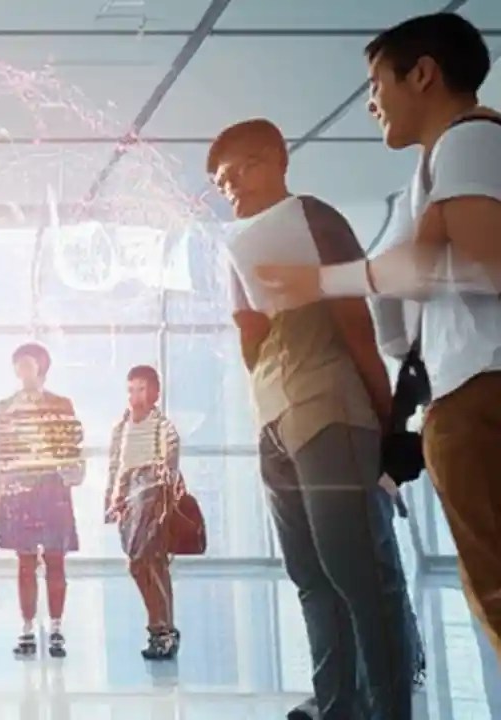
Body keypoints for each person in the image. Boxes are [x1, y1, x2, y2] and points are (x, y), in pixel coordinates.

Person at [255, 12, 501, 664]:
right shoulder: (441, 163)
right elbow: (411, 288)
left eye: (375, 83)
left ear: (422, 74)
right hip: (463, 394)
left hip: (483, 391)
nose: (371, 102)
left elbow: (485, 262)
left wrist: (327, 277)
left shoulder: (469, 141)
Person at [209, 118, 414, 719]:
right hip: (275, 417)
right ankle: (336, 706)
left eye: (241, 169)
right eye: (222, 182)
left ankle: (389, 709)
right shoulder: (240, 245)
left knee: (360, 577)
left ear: (276, 158)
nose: (232, 186)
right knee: (311, 576)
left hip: (330, 409)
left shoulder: (314, 217)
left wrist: (388, 419)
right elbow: (250, 337)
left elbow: (356, 322)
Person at [0, 343, 83, 659]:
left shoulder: (61, 404)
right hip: (20, 491)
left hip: (53, 489)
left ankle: (56, 628)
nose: (22, 371)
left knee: (55, 559)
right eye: (18, 365)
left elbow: (72, 446)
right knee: (25, 561)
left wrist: (72, 472)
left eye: (27, 364)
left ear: (41, 367)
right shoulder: (6, 407)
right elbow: (3, 454)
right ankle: (28, 628)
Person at [105, 365, 182, 660]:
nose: (135, 396)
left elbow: (170, 465)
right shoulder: (121, 428)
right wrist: (113, 499)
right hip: (127, 501)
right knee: (146, 564)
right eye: (131, 389)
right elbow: (115, 467)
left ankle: (160, 628)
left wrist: (164, 500)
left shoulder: (163, 427)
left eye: (141, 389)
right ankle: (163, 629)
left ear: (155, 393)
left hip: (152, 497)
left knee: (146, 562)